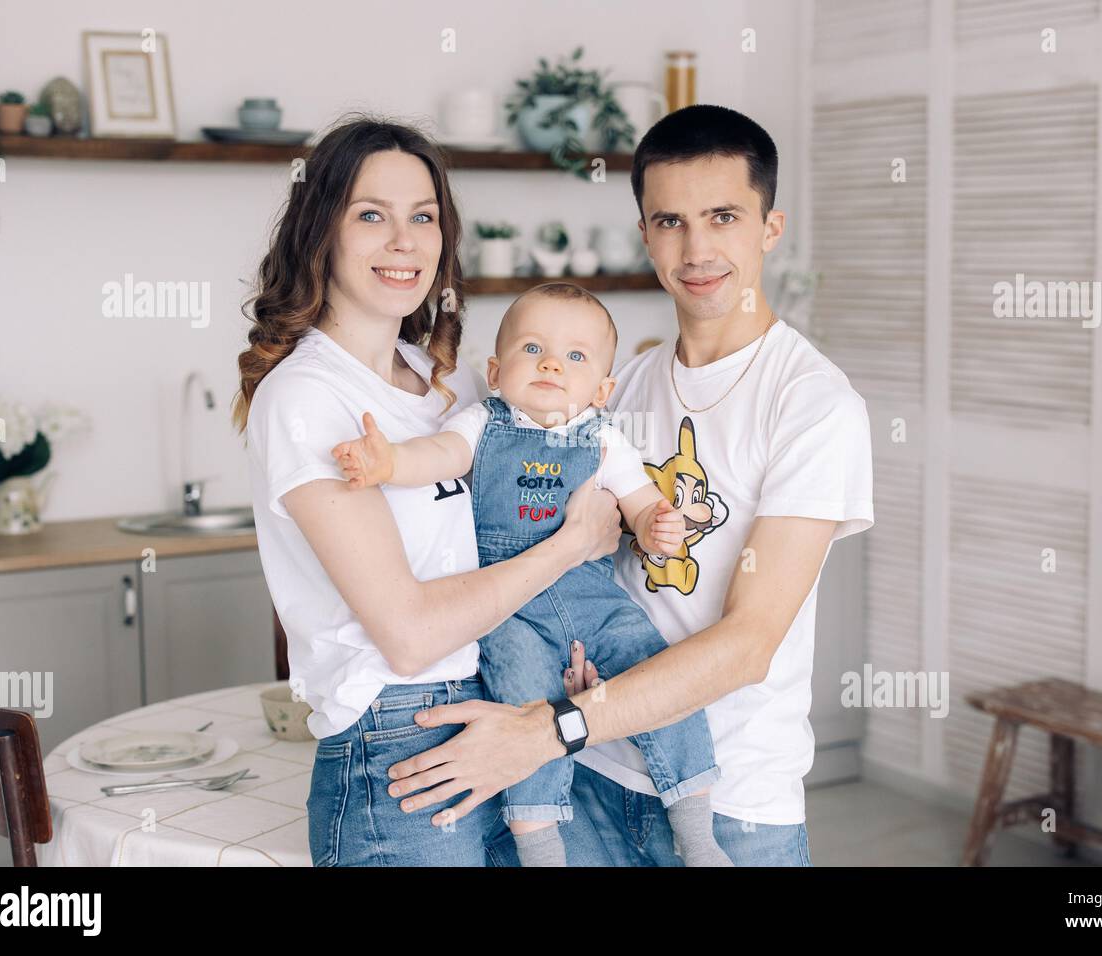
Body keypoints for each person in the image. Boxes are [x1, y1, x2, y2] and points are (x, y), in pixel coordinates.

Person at [383, 104, 875, 866]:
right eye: (671, 221)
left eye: (723, 216)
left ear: (769, 228)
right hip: (590, 783)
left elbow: (748, 645)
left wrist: (552, 728)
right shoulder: (615, 385)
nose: (698, 247)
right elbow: (587, 561)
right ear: (645, 235)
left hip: (730, 805)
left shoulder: (812, 402)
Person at [233, 116, 619, 866]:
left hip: (502, 713)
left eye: (424, 216)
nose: (404, 241)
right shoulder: (306, 398)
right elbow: (407, 633)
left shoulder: (451, 383)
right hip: (397, 751)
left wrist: (566, 646)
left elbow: (511, 535)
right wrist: (575, 545)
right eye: (371, 215)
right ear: (322, 231)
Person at [331, 281, 732, 866]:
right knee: (523, 711)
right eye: (532, 348)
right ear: (495, 371)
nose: (550, 363)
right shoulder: (480, 423)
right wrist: (389, 461)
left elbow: (643, 503)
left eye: (575, 356)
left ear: (602, 389)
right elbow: (438, 455)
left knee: (655, 670)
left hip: (594, 599)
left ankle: (696, 832)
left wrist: (655, 528)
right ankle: (541, 847)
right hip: (507, 607)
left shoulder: (605, 439)